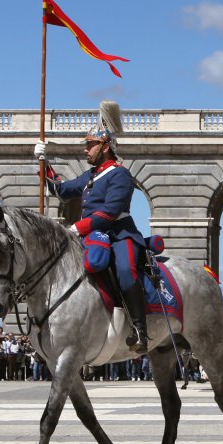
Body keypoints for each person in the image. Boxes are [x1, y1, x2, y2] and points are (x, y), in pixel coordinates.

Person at [34, 101, 149, 353]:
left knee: (125, 269)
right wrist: (45, 164)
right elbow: (62, 191)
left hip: (119, 234)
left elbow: (109, 213)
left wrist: (77, 228)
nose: (86, 150)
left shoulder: (120, 174)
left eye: (90, 145)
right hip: (92, 235)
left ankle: (140, 329)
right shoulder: (91, 175)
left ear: (105, 146)